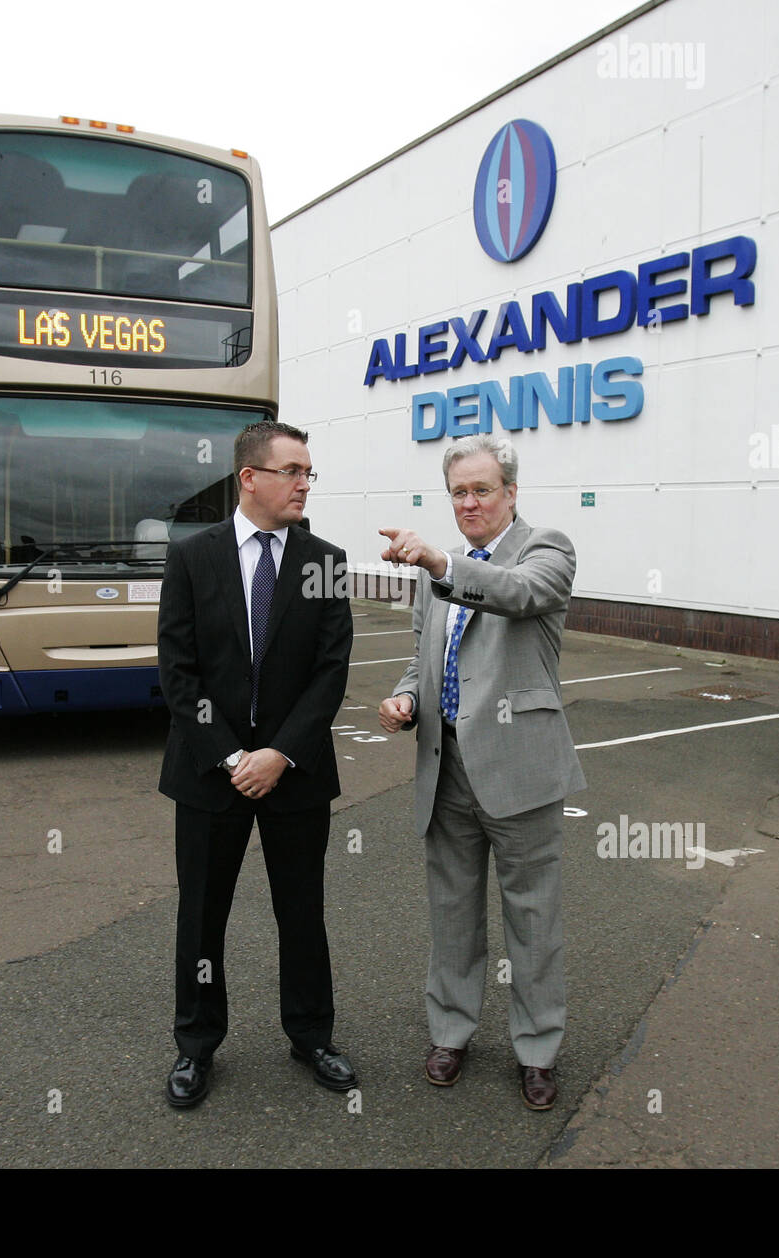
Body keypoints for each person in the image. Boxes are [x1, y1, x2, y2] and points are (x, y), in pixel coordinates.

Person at [377, 433, 586, 1111]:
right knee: (452, 915)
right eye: (459, 491)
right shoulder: (440, 572)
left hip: (520, 769)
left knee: (533, 920)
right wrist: (408, 694)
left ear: (511, 492)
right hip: (448, 769)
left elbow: (517, 595)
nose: (469, 502)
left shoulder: (546, 549)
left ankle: (537, 1050)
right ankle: (451, 1032)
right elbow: (424, 654)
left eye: (482, 489)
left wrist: (441, 560)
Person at [158, 418, 356, 1108]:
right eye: (293, 471)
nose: (305, 483)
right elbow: (178, 673)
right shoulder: (191, 557)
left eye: (309, 473)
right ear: (251, 478)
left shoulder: (325, 560)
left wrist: (278, 754)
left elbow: (330, 675)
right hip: (210, 775)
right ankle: (196, 1046)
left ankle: (312, 1035)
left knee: (302, 911)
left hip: (295, 773)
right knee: (201, 916)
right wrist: (234, 756)